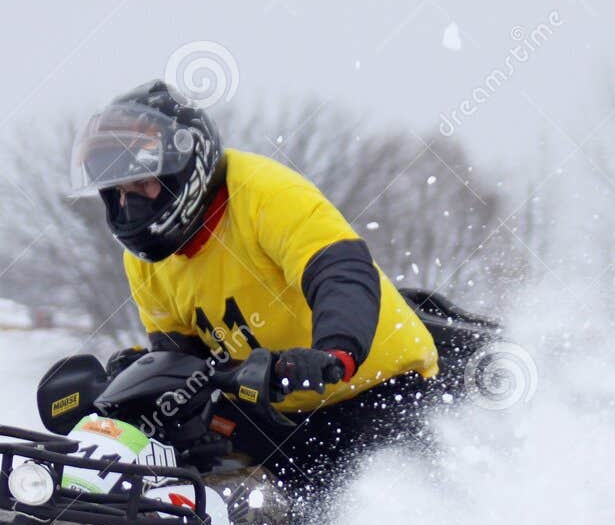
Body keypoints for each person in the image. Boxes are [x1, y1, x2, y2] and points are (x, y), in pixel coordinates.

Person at [62, 79, 440, 488]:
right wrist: (138, 385)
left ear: (185, 168)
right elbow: (184, 361)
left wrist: (334, 352)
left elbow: (341, 272)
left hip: (381, 392)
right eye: (117, 192)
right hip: (277, 414)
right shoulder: (146, 262)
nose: (129, 204)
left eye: (143, 184)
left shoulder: (265, 194)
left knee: (371, 505)